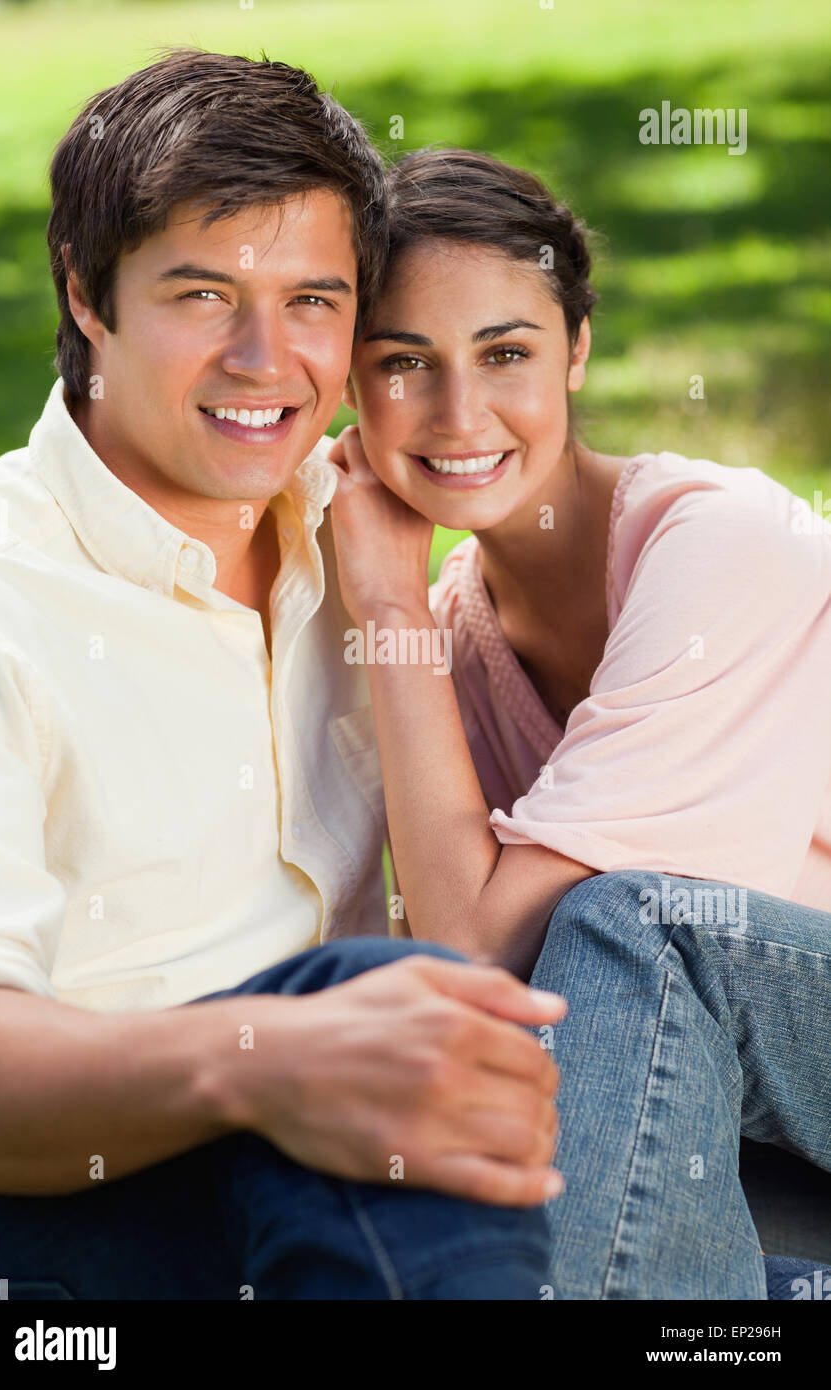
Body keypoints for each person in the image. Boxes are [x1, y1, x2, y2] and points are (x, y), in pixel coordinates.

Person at [0, 51, 566, 1302]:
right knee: (384, 1000)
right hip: (54, 1225)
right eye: (202, 294)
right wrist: (259, 1059)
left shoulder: (361, 531)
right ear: (87, 295)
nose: (265, 358)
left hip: (337, 1201)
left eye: (313, 301)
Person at [327, 147, 831, 1299]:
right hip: (746, 1094)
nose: (459, 413)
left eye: (505, 352)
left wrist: (389, 602)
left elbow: (474, 948)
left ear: (578, 349)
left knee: (638, 923)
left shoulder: (716, 546)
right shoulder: (454, 633)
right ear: (352, 392)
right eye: (403, 363)